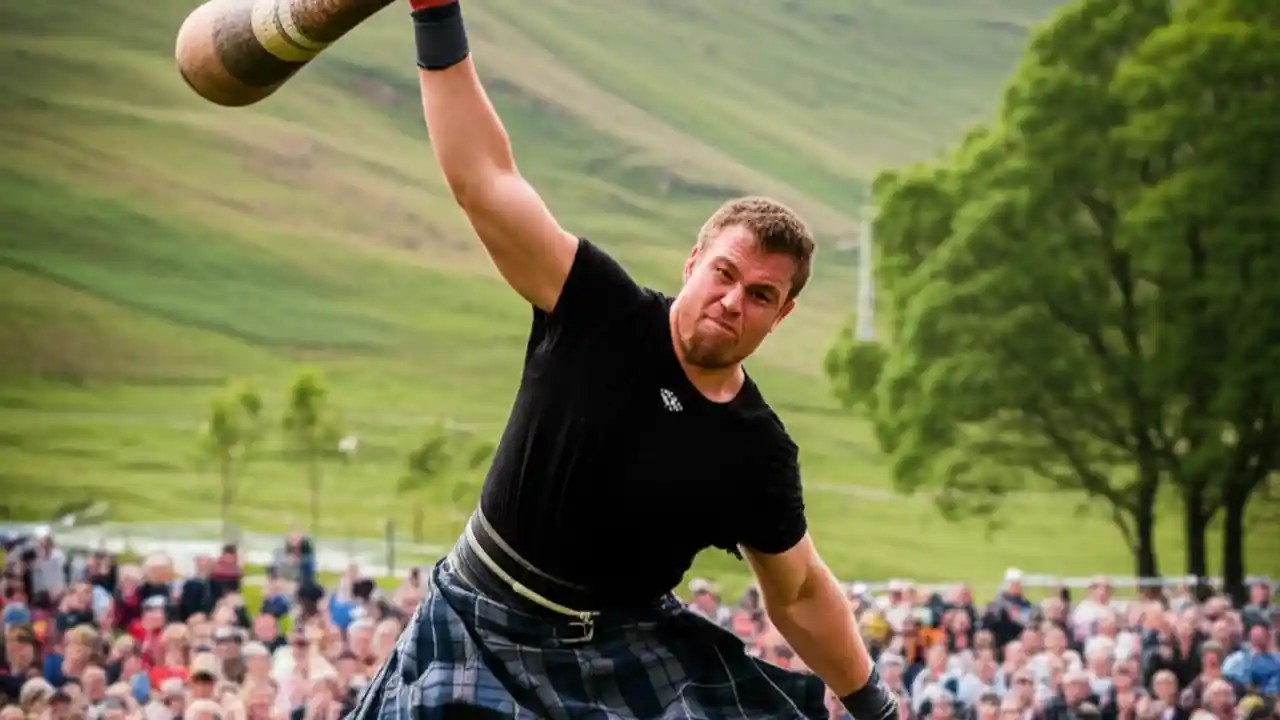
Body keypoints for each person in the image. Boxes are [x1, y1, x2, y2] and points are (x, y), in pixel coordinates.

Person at [347, 1, 900, 718]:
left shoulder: (754, 451)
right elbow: (485, 181)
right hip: (479, 621)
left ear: (783, 314)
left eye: (760, 294)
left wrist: (874, 705)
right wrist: (434, 13)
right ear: (694, 260)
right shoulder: (597, 310)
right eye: (725, 274)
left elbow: (797, 591)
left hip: (622, 652)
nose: (734, 301)